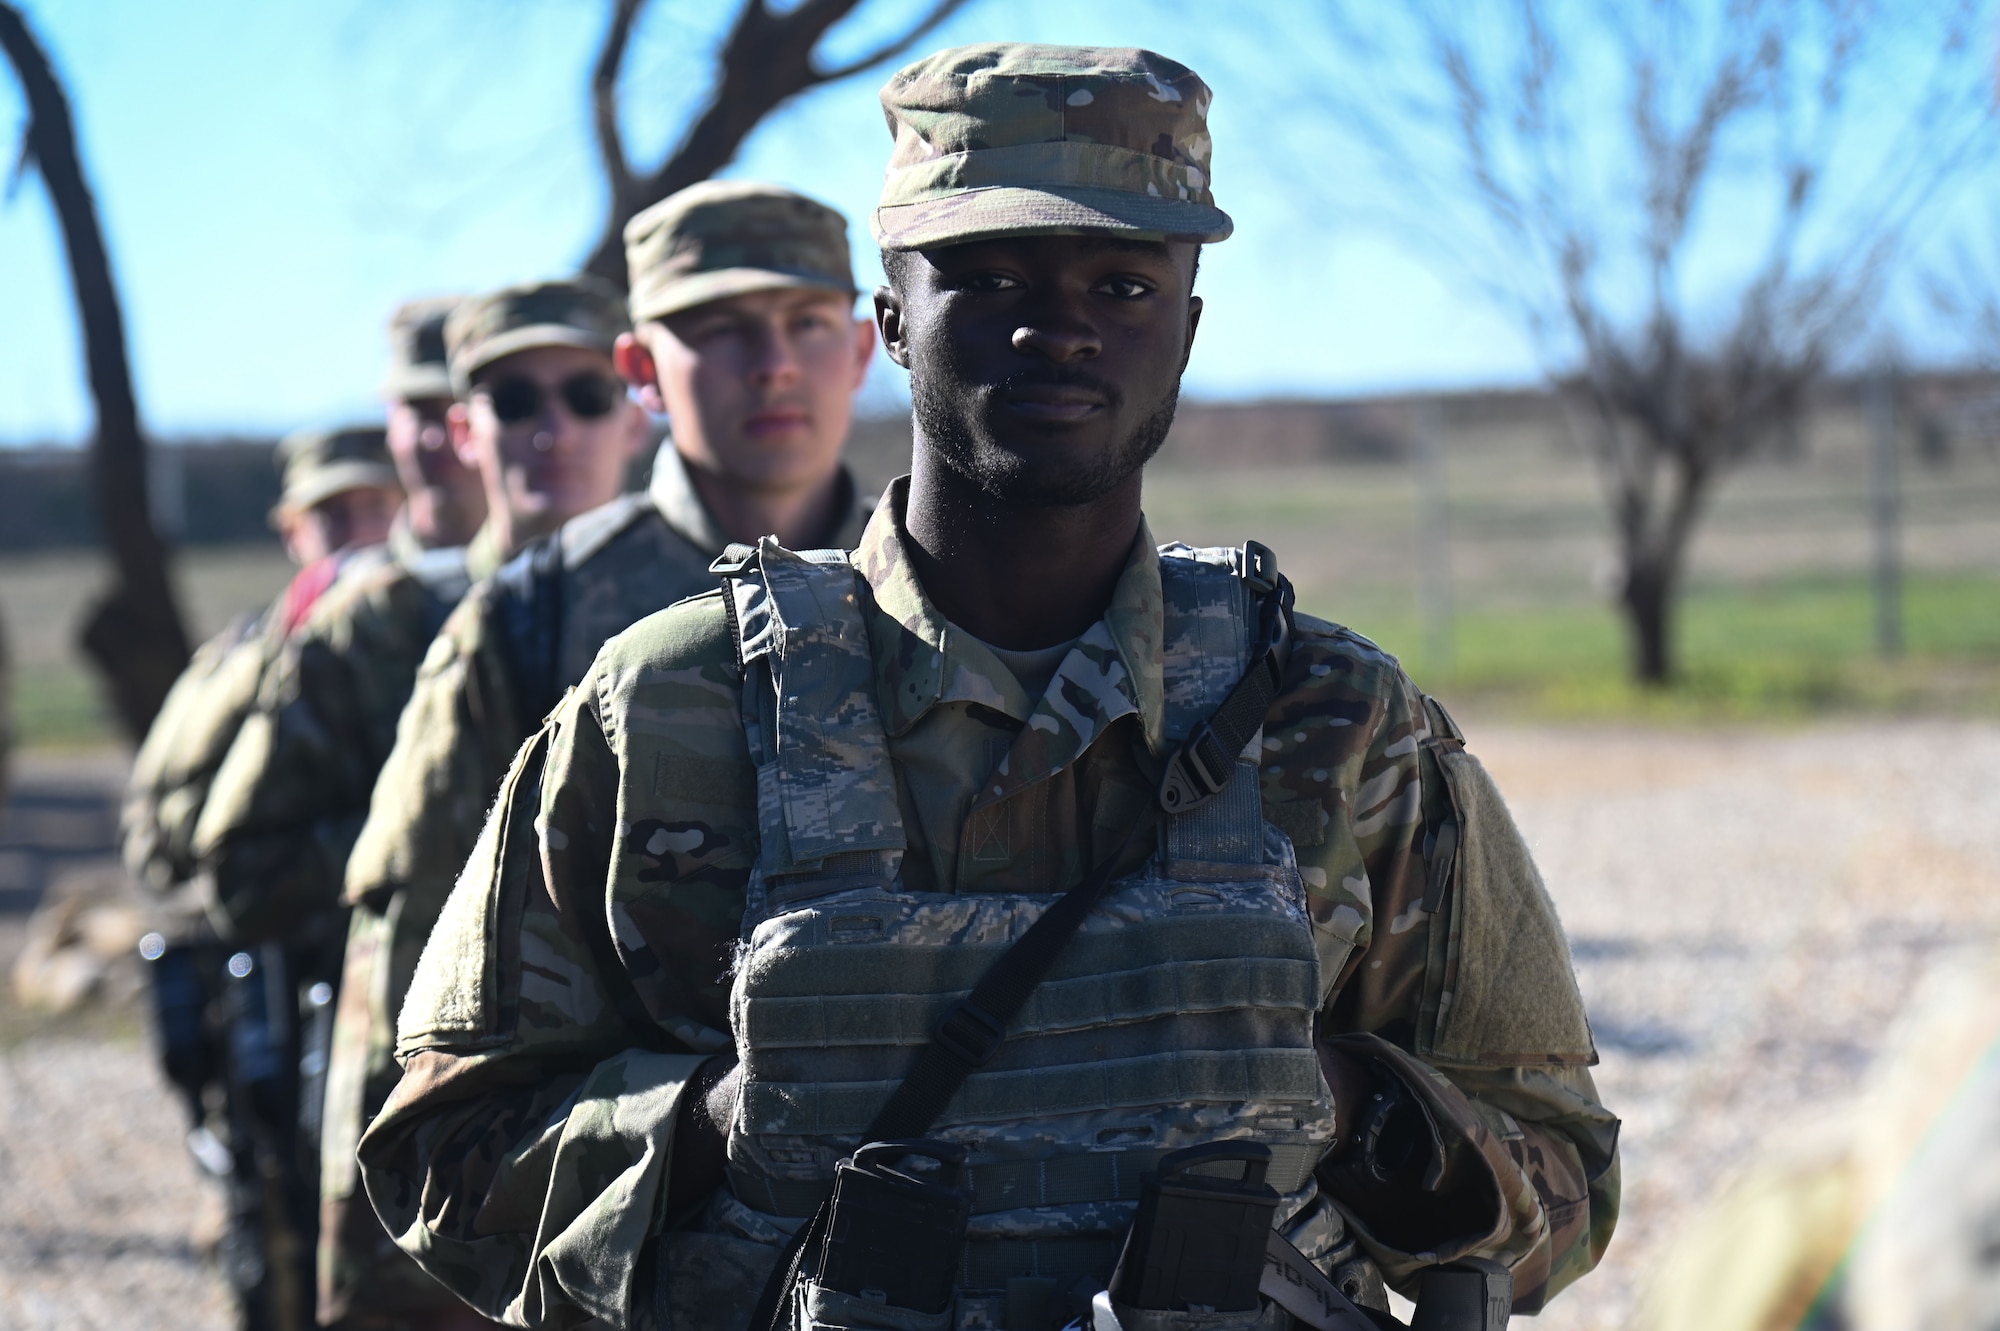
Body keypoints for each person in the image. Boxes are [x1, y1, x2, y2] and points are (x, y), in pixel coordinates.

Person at [358, 45, 1619, 1331]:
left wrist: (1334, 1100)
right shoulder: (671, 709)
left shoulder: (1334, 721)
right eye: (989, 275)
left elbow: (1562, 1179)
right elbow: (437, 1161)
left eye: (1123, 283)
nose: (1056, 326)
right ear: (892, 316)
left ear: (1185, 326)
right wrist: (723, 1121)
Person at [329, 211, 871, 1331]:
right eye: (717, 328)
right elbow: (412, 1001)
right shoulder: (533, 616)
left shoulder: (934, 596)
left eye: (806, 322)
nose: (770, 363)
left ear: (864, 348)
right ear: (642, 370)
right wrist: (385, 1294)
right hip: (616, 1255)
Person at [124, 424, 402, 1331]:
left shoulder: (423, 633)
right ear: (292, 530)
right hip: (267, 991)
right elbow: (158, 834)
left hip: (383, 998)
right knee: (264, 1250)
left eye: (371, 504)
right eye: (332, 512)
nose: (355, 526)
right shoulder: (244, 659)